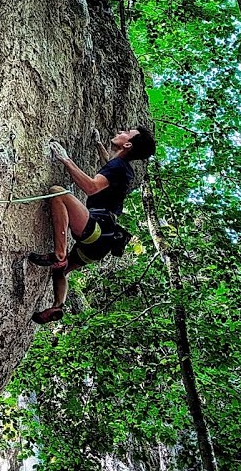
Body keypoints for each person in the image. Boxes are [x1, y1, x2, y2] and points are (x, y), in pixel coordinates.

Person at [28, 126, 156, 323]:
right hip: (102, 242)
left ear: (128, 144)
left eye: (126, 133)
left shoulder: (119, 167)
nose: (121, 131)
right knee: (60, 272)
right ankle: (57, 306)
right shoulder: (122, 168)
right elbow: (109, 163)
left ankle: (59, 254)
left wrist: (64, 158)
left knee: (57, 193)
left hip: (98, 226)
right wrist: (98, 144)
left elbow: (91, 186)